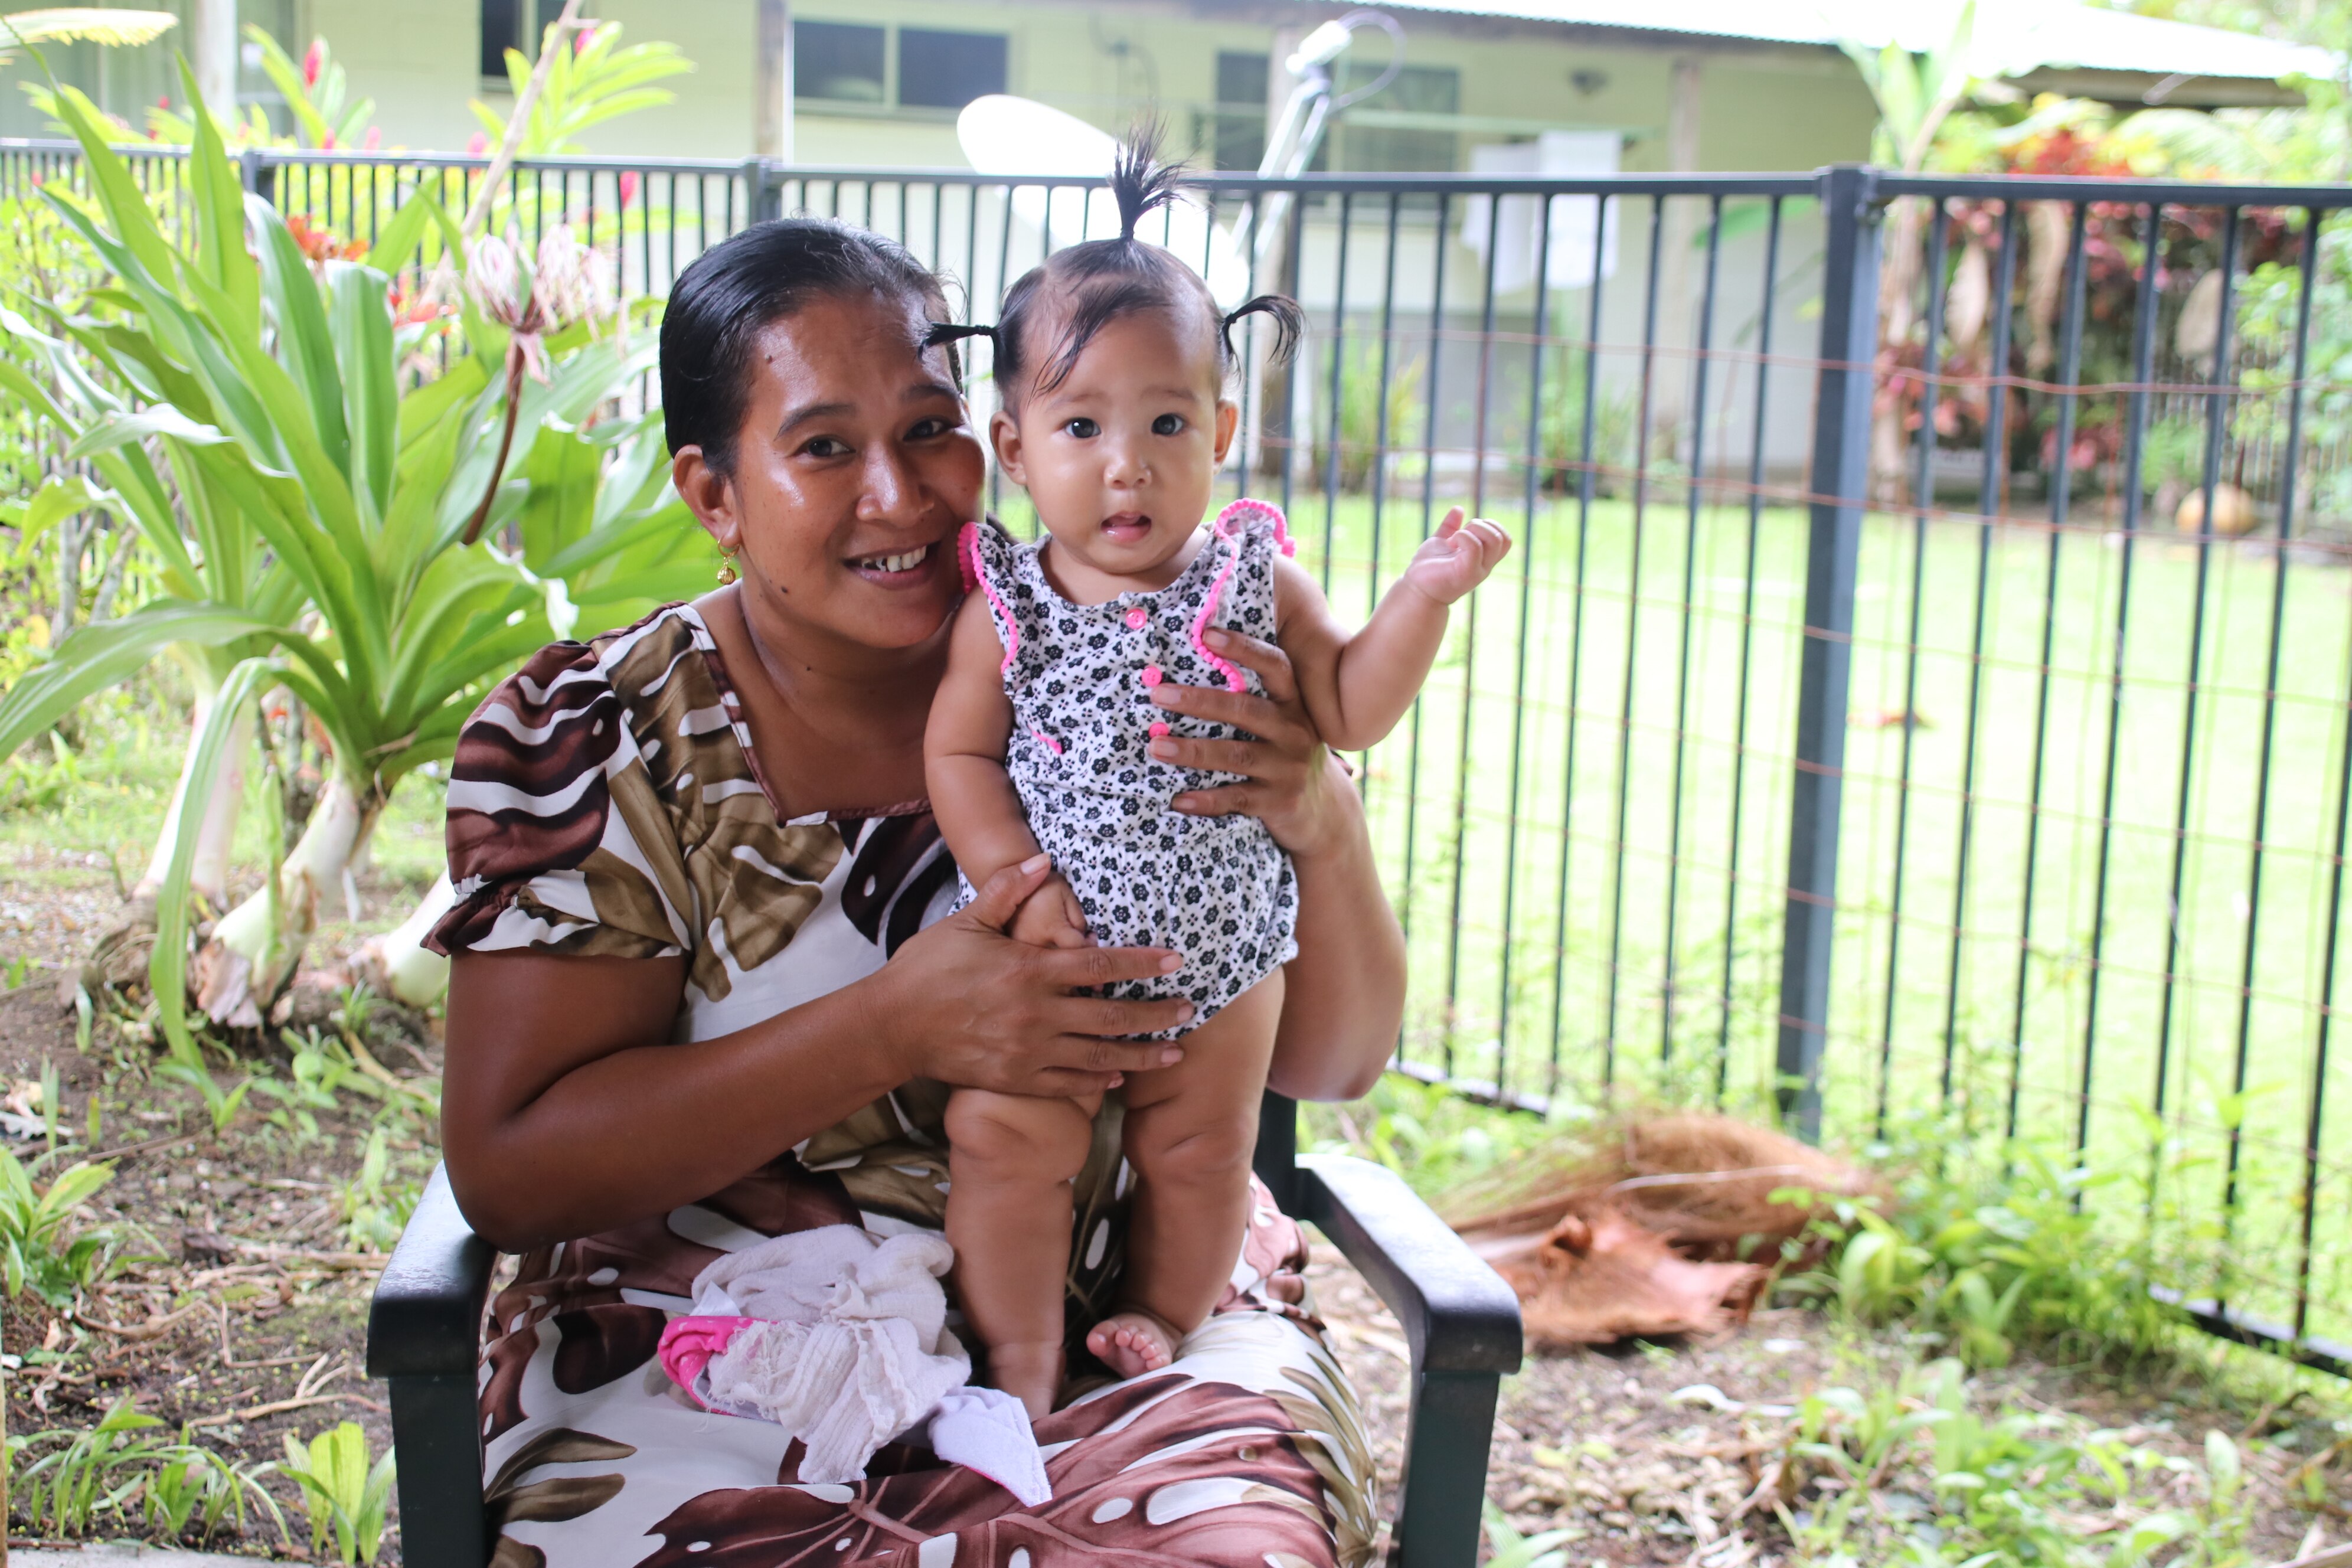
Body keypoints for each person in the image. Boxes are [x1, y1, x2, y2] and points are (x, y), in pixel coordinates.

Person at [430, 210, 1407, 1566]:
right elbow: (512, 1163)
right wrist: (898, 1024)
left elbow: (1337, 1057)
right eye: (824, 446)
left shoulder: (1152, 658)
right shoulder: (611, 737)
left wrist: (1324, 817)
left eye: (928, 426)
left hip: (1135, 1319)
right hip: (713, 1334)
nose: (900, 493)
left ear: (989, 434)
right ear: (714, 493)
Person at [926, 138, 1510, 1423]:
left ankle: (1163, 1313)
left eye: (1167, 421)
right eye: (1082, 426)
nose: (1125, 462)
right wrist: (1014, 887)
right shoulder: (1009, 604)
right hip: (1056, 955)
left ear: (1223, 429)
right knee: (1005, 1137)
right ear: (1016, 449)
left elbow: (1351, 706)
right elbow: (960, 754)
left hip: (1225, 957)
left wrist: (1420, 601)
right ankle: (1019, 1360)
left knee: (1200, 1156)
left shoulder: (1256, 578)